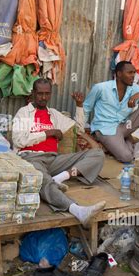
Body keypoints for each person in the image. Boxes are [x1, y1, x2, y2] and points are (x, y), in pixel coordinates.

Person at [12, 78, 106, 228]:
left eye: (47, 94)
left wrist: (79, 106)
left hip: (54, 159)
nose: (43, 97)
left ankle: (61, 177)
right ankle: (78, 210)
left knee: (97, 154)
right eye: (40, 93)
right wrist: (48, 133)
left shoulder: (54, 114)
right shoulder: (23, 113)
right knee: (41, 180)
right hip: (31, 158)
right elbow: (18, 140)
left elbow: (78, 129)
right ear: (33, 93)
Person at [83, 61, 139, 163]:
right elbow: (86, 108)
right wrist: (83, 129)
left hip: (126, 125)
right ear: (119, 74)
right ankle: (125, 141)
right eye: (130, 73)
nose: (133, 76)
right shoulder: (101, 88)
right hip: (105, 129)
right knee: (127, 157)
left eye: (134, 73)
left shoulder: (134, 89)